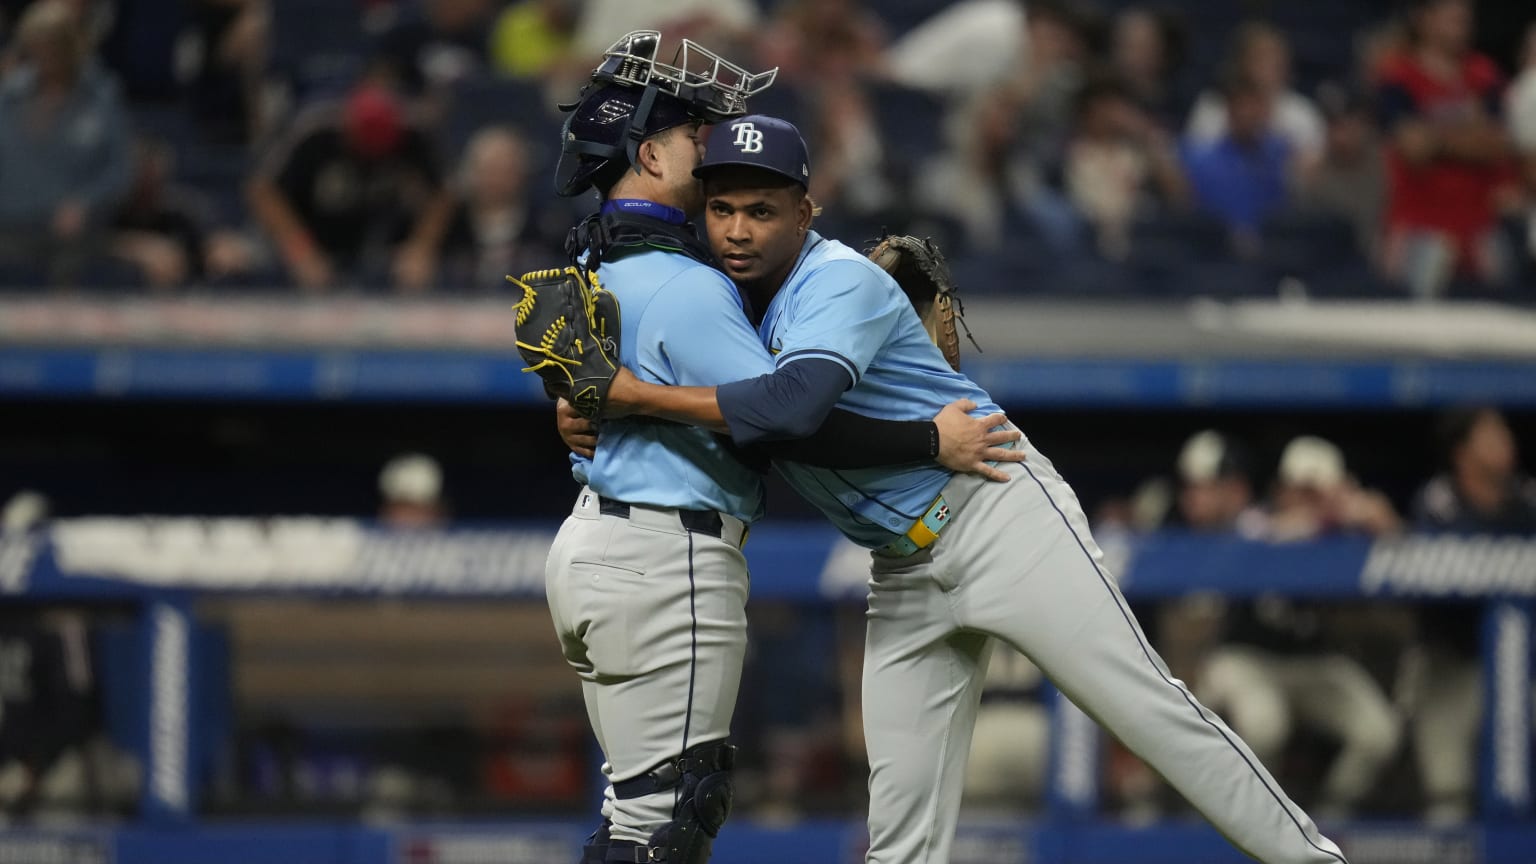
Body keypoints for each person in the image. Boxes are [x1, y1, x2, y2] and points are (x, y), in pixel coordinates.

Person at [565, 113, 1349, 864]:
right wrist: (582, 408)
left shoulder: (835, 281)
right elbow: (734, 418)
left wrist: (630, 397)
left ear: (805, 213)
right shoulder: (723, 303)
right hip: (903, 568)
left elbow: (791, 414)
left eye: (762, 211)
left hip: (993, 514)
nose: (738, 230)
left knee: (1151, 714)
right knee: (899, 833)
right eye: (723, 208)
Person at [539, 33, 1017, 864]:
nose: (710, 146)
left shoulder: (597, 263)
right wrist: (926, 436)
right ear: (648, 155)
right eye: (692, 134)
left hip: (599, 544)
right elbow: (786, 418)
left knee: (634, 820)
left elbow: (609, 395)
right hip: (665, 557)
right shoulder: (688, 285)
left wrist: (589, 409)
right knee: (669, 827)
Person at [1408, 407, 1536, 823]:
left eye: (1504, 434)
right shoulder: (1438, 500)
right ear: (1462, 452)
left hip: (1521, 664)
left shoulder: (1527, 497)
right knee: (1448, 797)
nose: (1505, 443)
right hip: (1449, 661)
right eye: (1490, 436)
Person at [246, 79, 455, 292]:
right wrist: (300, 251)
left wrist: (420, 248)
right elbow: (263, 190)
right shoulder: (315, 131)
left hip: (369, 235)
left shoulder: (412, 133)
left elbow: (443, 193)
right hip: (305, 229)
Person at [1376, 0, 1515, 297]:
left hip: (1478, 228)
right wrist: (1471, 134)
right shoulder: (1399, 76)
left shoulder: (1484, 73)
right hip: (1419, 226)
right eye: (1452, 19)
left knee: (1499, 308)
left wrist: (1436, 138)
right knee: (1411, 314)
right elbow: (1413, 148)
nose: (1462, 28)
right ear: (1425, 20)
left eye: (1465, 19)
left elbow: (1498, 144)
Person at [0, 0, 131, 287]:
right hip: (10, 224)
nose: (44, 55)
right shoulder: (9, 96)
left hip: (72, 234)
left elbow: (119, 170)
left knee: (77, 267)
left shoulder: (101, 96)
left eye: (52, 46)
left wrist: (85, 204)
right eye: (36, 47)